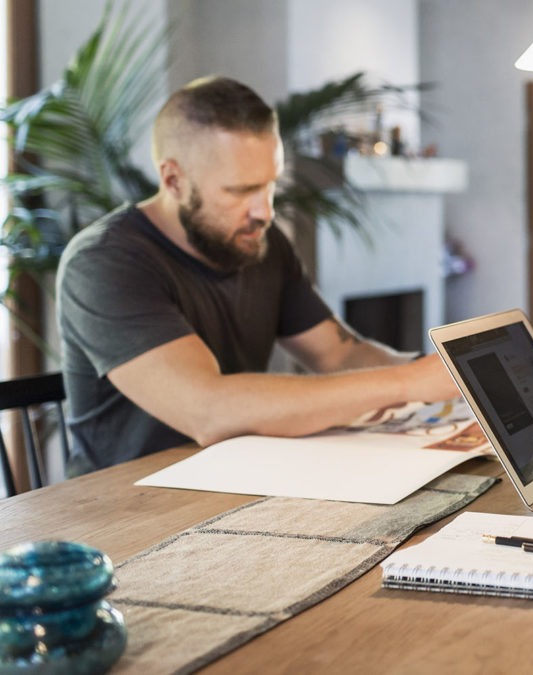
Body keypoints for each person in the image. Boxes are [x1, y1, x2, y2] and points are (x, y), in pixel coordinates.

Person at [56, 76, 460, 474]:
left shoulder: (261, 245)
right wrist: (407, 383)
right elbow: (208, 409)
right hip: (128, 508)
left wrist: (446, 379)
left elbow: (340, 354)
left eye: (269, 186)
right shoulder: (104, 263)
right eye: (240, 191)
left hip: (242, 476)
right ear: (173, 180)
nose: (264, 211)